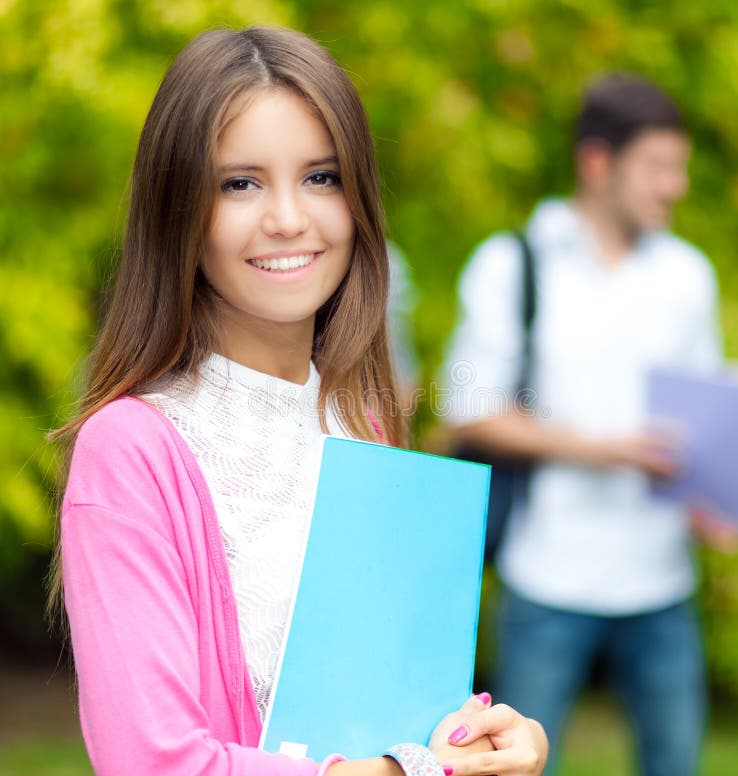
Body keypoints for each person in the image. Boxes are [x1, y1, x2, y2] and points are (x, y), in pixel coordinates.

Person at [47, 26, 547, 776]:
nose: (288, 218)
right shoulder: (132, 448)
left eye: (321, 177)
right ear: (179, 207)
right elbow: (152, 761)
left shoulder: (364, 422)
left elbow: (394, 704)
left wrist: (489, 743)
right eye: (240, 183)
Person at [442, 74, 738, 776]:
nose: (675, 187)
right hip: (549, 575)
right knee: (512, 767)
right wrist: (600, 450)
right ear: (597, 163)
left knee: (676, 762)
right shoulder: (513, 263)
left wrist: (714, 496)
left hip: (663, 581)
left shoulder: (689, 276)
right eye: (659, 168)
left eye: (680, 169)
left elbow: (698, 420)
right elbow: (468, 409)